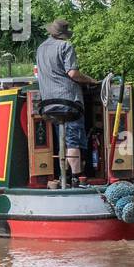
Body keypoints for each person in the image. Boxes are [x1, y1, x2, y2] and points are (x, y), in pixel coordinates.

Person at [35, 18, 98, 181]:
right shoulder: (66, 46)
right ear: (63, 34)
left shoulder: (40, 48)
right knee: (73, 140)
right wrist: (91, 80)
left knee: (61, 137)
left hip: (48, 103)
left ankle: (64, 176)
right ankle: (77, 177)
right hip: (68, 102)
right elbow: (73, 74)